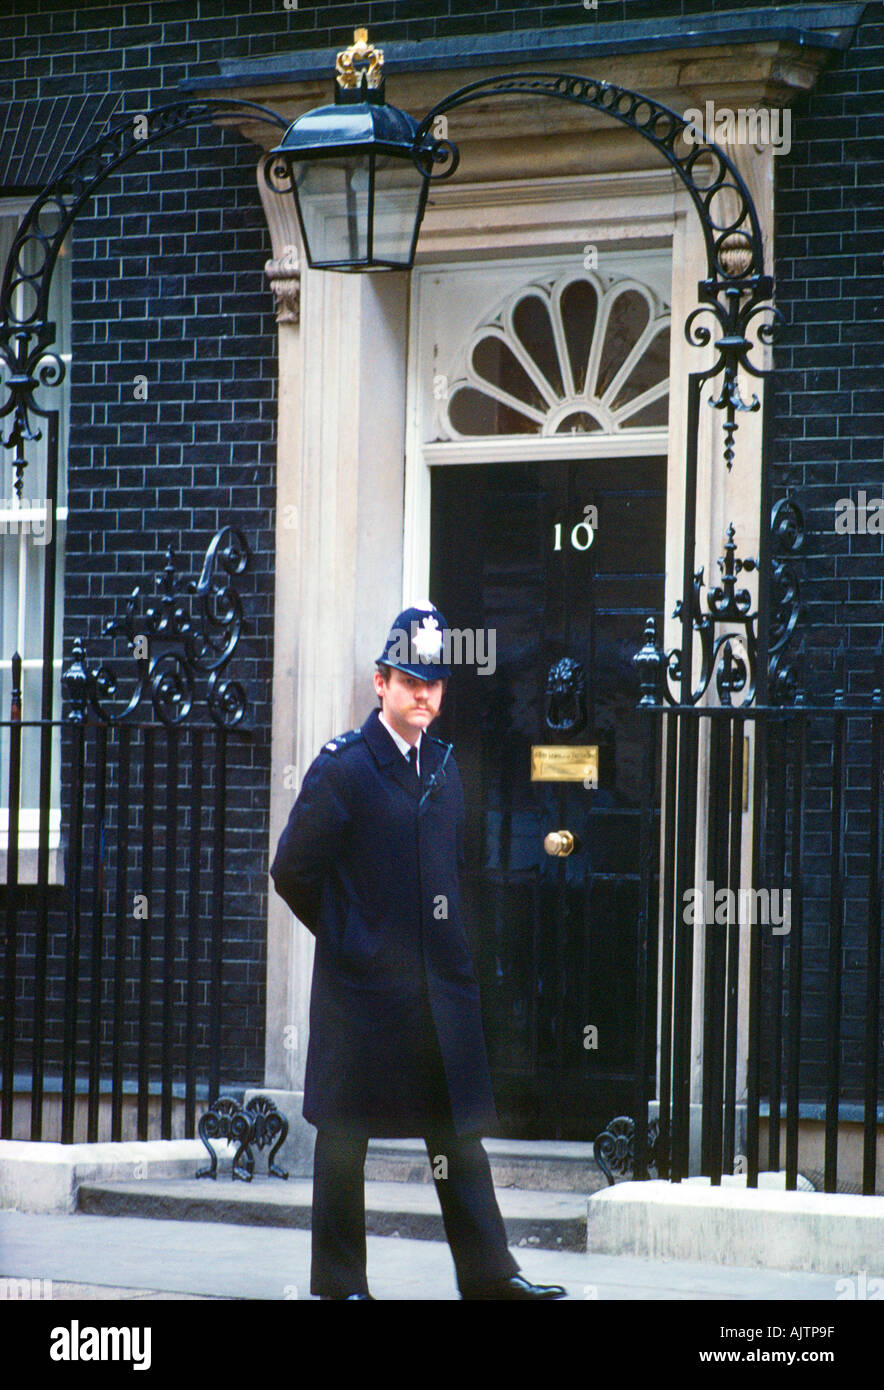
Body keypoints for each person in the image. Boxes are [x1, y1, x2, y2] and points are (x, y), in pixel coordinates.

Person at [270, 603, 566, 1301]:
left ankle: (491, 1277)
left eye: (434, 683)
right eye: (410, 681)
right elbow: (292, 872)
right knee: (344, 1140)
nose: (425, 694)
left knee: (457, 1139)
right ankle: (340, 1288)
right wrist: (353, 939)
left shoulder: (447, 768)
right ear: (381, 683)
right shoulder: (343, 767)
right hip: (364, 995)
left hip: (439, 991)